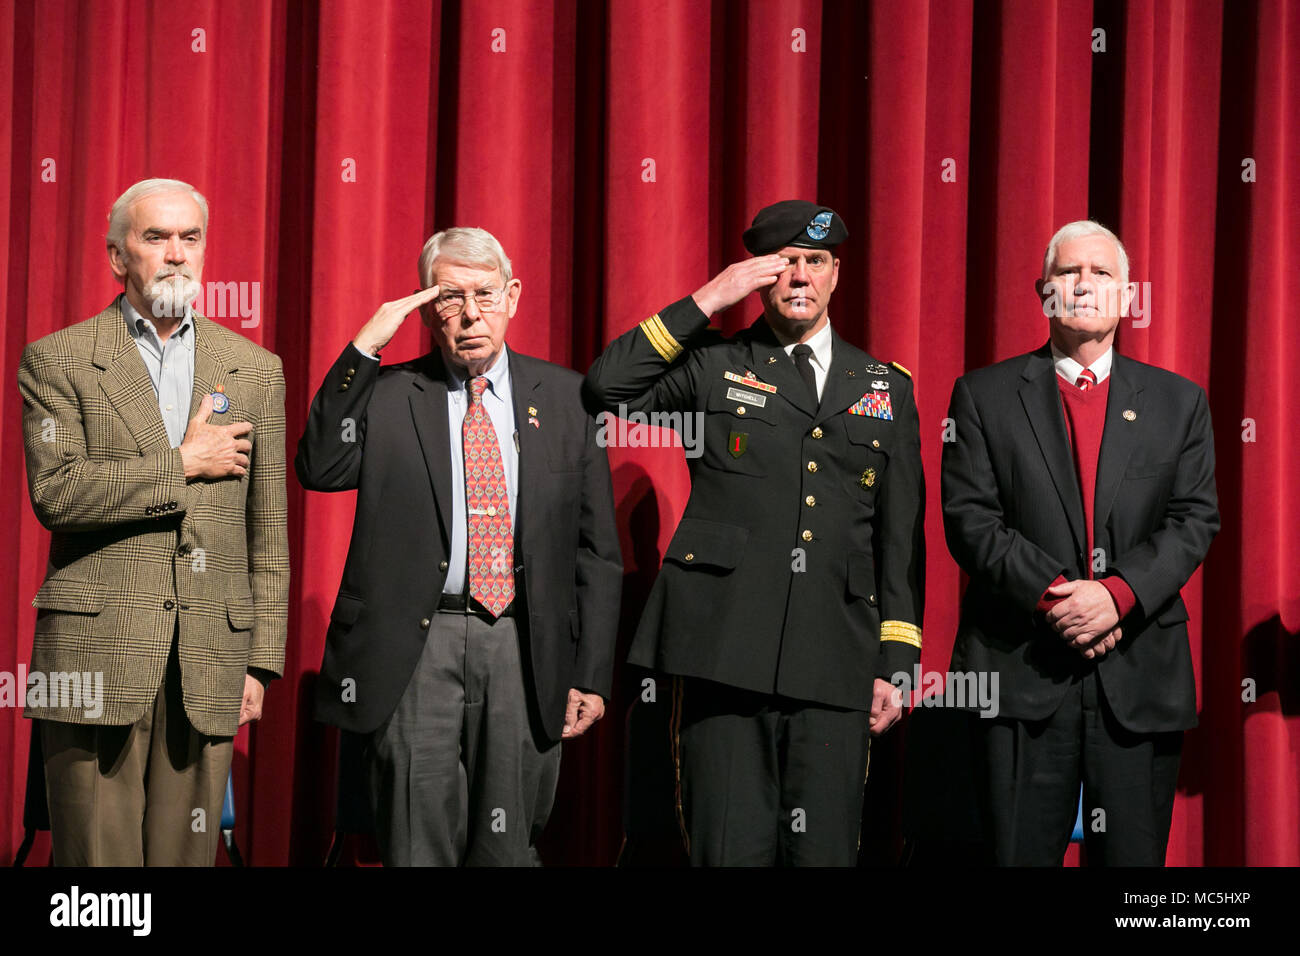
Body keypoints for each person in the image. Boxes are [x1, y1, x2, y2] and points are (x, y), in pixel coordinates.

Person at [585, 200, 925, 866]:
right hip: (724, 648)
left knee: (822, 852)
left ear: (835, 275)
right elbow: (607, 388)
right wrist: (710, 298)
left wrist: (898, 660)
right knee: (727, 848)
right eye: (785, 263)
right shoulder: (715, 363)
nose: (800, 277)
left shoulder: (885, 385)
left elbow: (899, 537)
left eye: (815, 263)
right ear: (761, 274)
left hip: (838, 653)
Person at [297, 226, 622, 866]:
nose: (471, 314)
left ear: (514, 296)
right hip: (416, 649)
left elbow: (596, 553)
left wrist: (590, 675)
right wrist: (364, 347)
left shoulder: (565, 399)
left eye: (485, 294)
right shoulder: (389, 394)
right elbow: (320, 465)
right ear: (424, 305)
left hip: (522, 647)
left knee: (509, 850)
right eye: (449, 298)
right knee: (416, 846)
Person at [18, 178, 289, 866]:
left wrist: (259, 660)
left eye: (189, 238)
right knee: (97, 876)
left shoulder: (255, 369)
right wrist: (183, 464)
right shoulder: (58, 359)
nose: (175, 255)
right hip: (94, 653)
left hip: (210, 657)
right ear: (117, 257)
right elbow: (59, 492)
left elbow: (269, 529)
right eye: (155, 237)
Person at [942, 219, 1219, 865]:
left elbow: (1194, 518)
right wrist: (1060, 597)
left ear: (1127, 296)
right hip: (1020, 669)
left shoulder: (1180, 403)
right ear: (1044, 292)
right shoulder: (981, 396)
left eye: (1102, 274)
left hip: (1140, 676)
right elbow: (970, 519)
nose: (1085, 285)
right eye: (1069, 272)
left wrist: (1118, 595)